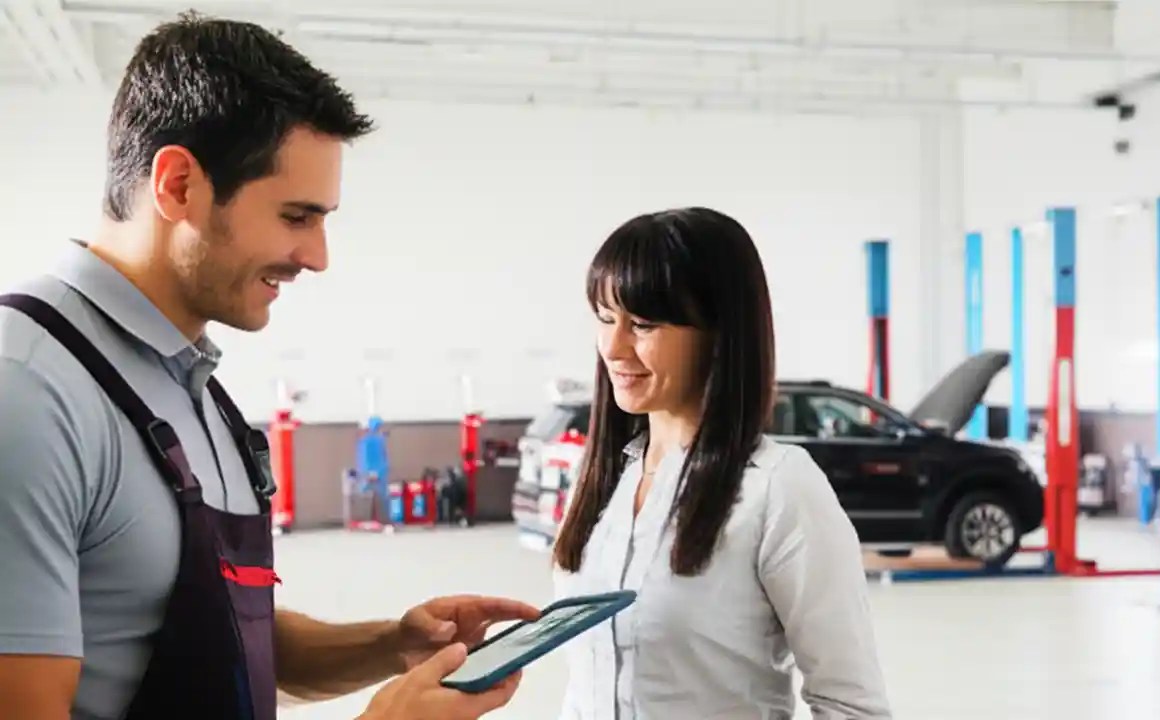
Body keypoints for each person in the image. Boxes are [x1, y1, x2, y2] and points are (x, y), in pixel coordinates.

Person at [0, 12, 538, 720]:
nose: (318, 256)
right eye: (296, 216)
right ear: (178, 185)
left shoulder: (195, 390)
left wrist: (391, 644)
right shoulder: (30, 393)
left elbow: (221, 643)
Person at [552, 208, 894, 719]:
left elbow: (852, 705)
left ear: (718, 333)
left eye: (643, 324)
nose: (613, 346)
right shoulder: (606, 477)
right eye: (605, 318)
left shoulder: (778, 488)